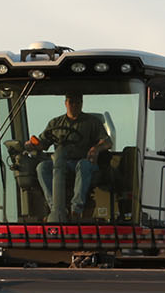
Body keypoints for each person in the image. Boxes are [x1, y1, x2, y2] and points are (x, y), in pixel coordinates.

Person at [28, 94, 110, 222]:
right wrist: (32, 144)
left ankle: (75, 210)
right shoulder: (55, 123)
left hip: (83, 162)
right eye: (71, 102)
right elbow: (42, 144)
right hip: (60, 163)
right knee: (42, 167)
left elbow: (107, 142)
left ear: (82, 104)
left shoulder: (91, 122)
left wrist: (96, 149)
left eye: (78, 102)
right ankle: (55, 208)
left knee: (83, 165)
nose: (74, 105)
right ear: (65, 103)